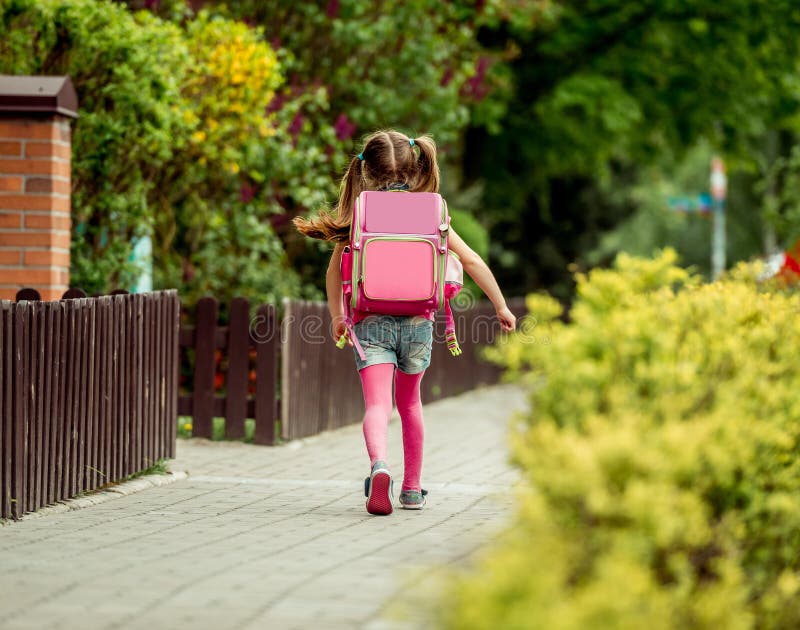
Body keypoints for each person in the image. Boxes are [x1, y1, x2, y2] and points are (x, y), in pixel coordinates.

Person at [294, 129, 516, 515]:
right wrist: (500, 305)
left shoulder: (361, 212)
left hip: (370, 319)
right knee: (410, 404)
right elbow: (472, 261)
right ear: (415, 168)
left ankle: (380, 466)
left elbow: (334, 272)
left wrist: (337, 316)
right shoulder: (433, 210)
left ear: (365, 170)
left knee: (377, 405)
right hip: (417, 322)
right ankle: (412, 489)